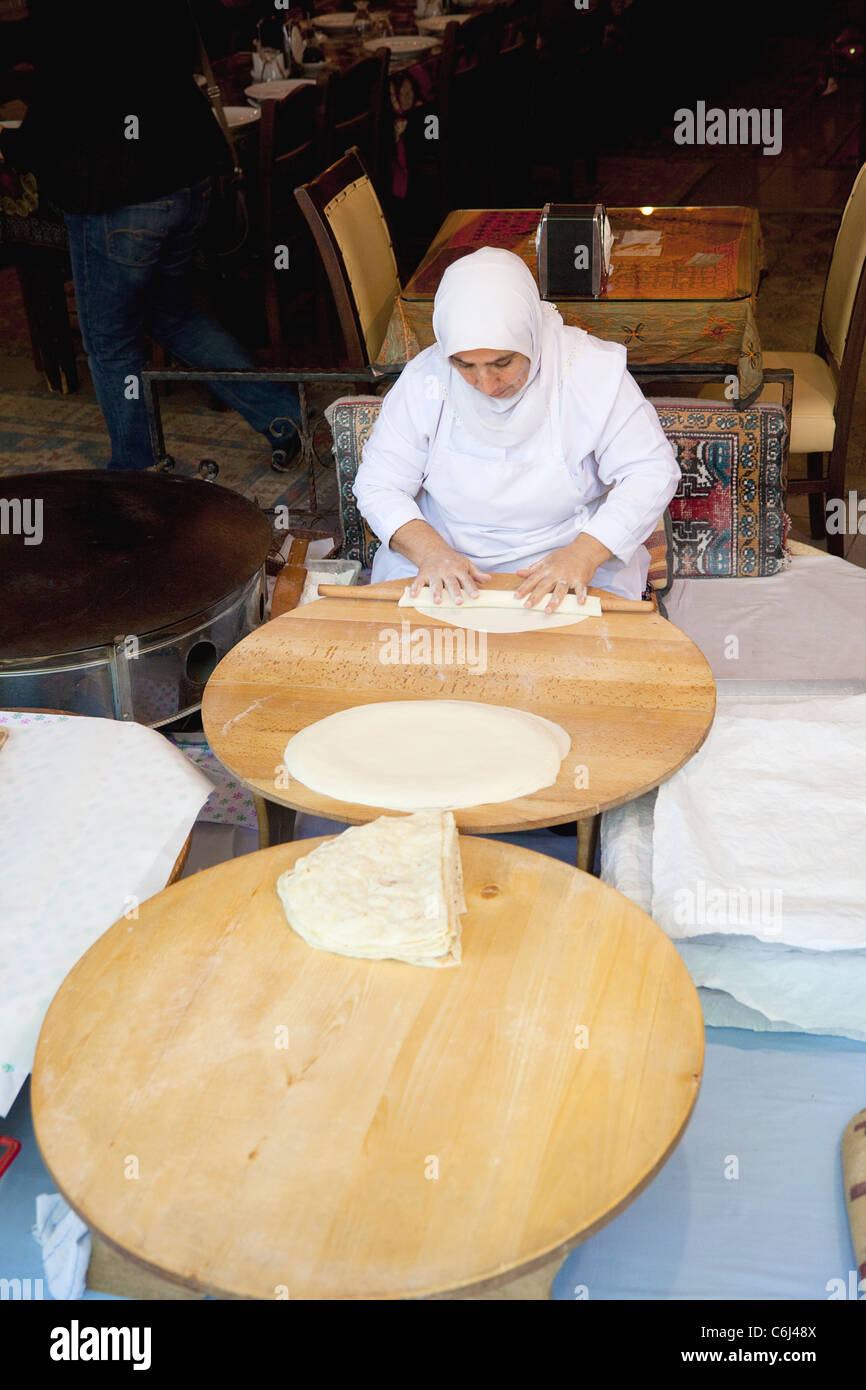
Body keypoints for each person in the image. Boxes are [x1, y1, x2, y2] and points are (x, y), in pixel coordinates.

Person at [1, 0, 301, 472]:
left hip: (117, 190)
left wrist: (20, 153)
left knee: (109, 340)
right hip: (187, 174)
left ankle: (136, 472)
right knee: (172, 313)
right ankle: (286, 417)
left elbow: (57, 89)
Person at [353, 247, 681, 612]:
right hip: (444, 555)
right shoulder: (424, 379)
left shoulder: (590, 371)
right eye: (465, 365)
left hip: (567, 554)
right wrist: (431, 552)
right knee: (418, 654)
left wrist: (584, 554)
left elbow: (650, 472)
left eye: (502, 363)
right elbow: (378, 484)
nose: (486, 384)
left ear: (531, 335)